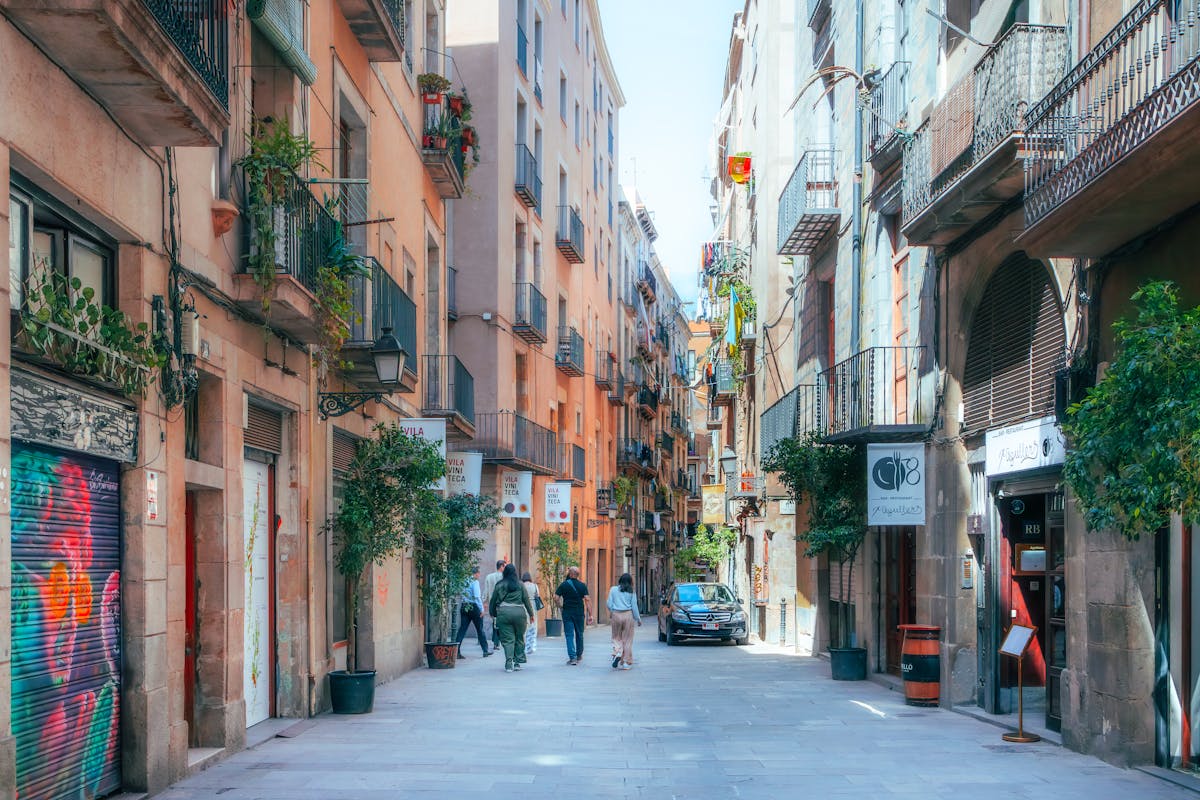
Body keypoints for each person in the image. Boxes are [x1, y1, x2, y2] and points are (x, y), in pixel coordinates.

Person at [488, 563, 535, 673]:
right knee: (519, 638)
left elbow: (493, 601)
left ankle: (509, 664)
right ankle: (517, 663)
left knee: (508, 640)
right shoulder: (520, 585)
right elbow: (526, 600)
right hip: (519, 614)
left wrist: (493, 613)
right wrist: (531, 614)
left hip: (504, 614)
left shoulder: (499, 585)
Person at [555, 566, 592, 665]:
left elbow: (555, 597)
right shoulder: (582, 586)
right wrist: (590, 614)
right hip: (579, 613)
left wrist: (560, 606)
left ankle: (572, 658)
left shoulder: (564, 585)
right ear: (577, 575)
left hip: (567, 612)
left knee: (569, 635)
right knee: (579, 634)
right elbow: (587, 600)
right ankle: (579, 655)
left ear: (570, 574)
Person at [607, 572, 642, 670]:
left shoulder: (613, 589)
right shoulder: (632, 591)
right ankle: (626, 663)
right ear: (630, 582)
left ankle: (617, 652)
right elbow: (634, 607)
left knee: (616, 637)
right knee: (627, 640)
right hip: (628, 615)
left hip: (616, 614)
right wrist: (638, 619)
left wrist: (612, 611)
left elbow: (609, 603)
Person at [455, 566, 491, 658]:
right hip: (474, 607)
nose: (479, 575)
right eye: (479, 573)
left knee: (462, 629)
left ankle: (456, 651)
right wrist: (482, 609)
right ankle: (485, 650)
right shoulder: (475, 582)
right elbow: (477, 597)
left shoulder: (464, 581)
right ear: (475, 573)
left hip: (464, 606)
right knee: (480, 629)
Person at [483, 558, 506, 650]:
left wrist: (485, 601)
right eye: (504, 566)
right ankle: (497, 641)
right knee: (501, 622)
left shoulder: (489, 577)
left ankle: (495, 642)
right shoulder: (504, 577)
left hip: (492, 603)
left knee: (494, 622)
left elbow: (486, 590)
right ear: (501, 566)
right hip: (501, 603)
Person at [521, 571, 541, 657]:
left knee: (524, 625)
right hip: (533, 606)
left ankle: (523, 644)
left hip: (523, 605)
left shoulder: (521, 586)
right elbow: (538, 596)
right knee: (533, 625)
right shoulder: (535, 586)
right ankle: (531, 646)